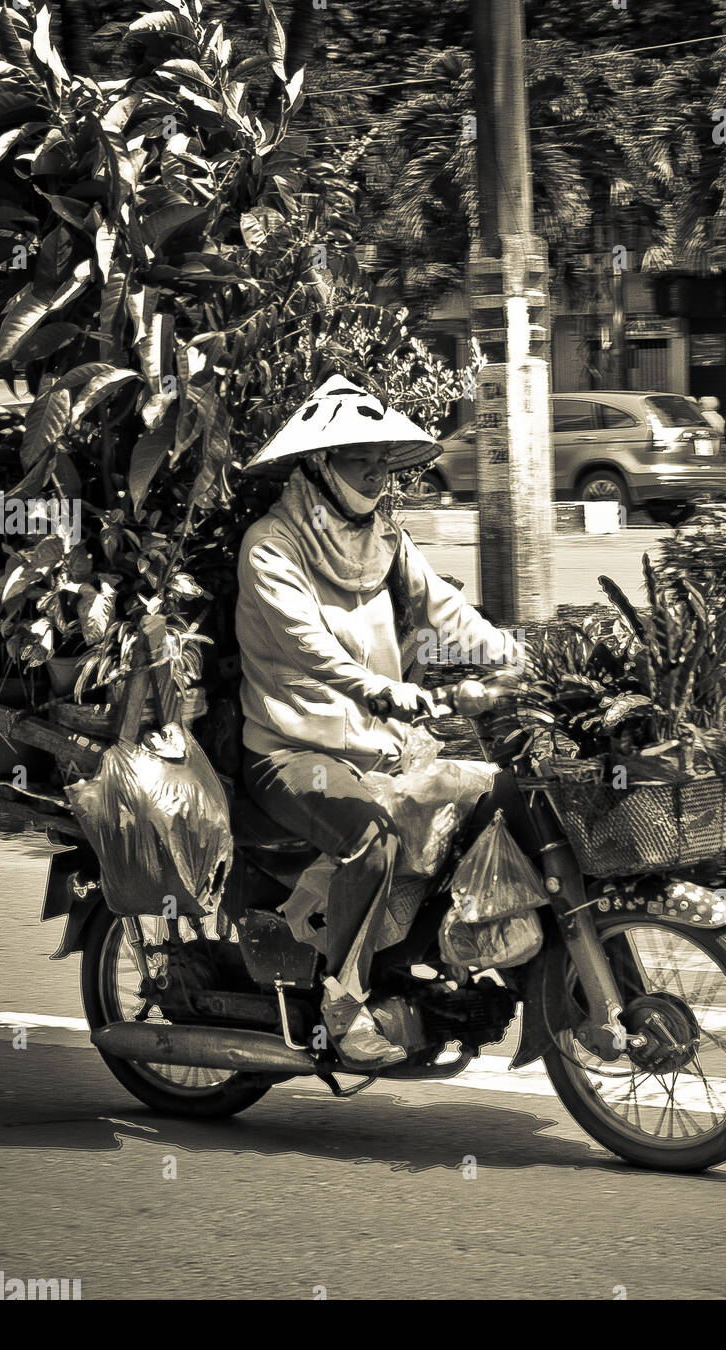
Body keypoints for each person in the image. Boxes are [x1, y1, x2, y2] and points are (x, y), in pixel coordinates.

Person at [236, 375, 522, 1065]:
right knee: (373, 841)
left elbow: (446, 614)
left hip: (381, 744)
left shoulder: (384, 539)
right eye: (357, 454)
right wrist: (380, 691)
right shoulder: (271, 546)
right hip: (288, 750)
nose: (376, 468)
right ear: (318, 465)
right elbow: (308, 646)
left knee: (488, 800)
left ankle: (435, 963)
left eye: (381, 455)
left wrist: (517, 655)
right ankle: (344, 1000)